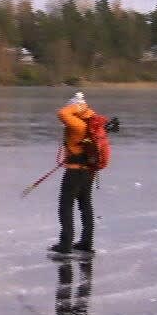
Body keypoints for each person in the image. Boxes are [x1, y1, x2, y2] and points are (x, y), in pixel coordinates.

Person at [50, 91, 101, 255]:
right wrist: (83, 107)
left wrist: (78, 106)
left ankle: (65, 244)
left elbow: (62, 113)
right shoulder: (92, 122)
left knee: (65, 206)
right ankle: (86, 242)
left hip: (74, 172)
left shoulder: (79, 124)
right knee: (85, 205)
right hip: (89, 171)